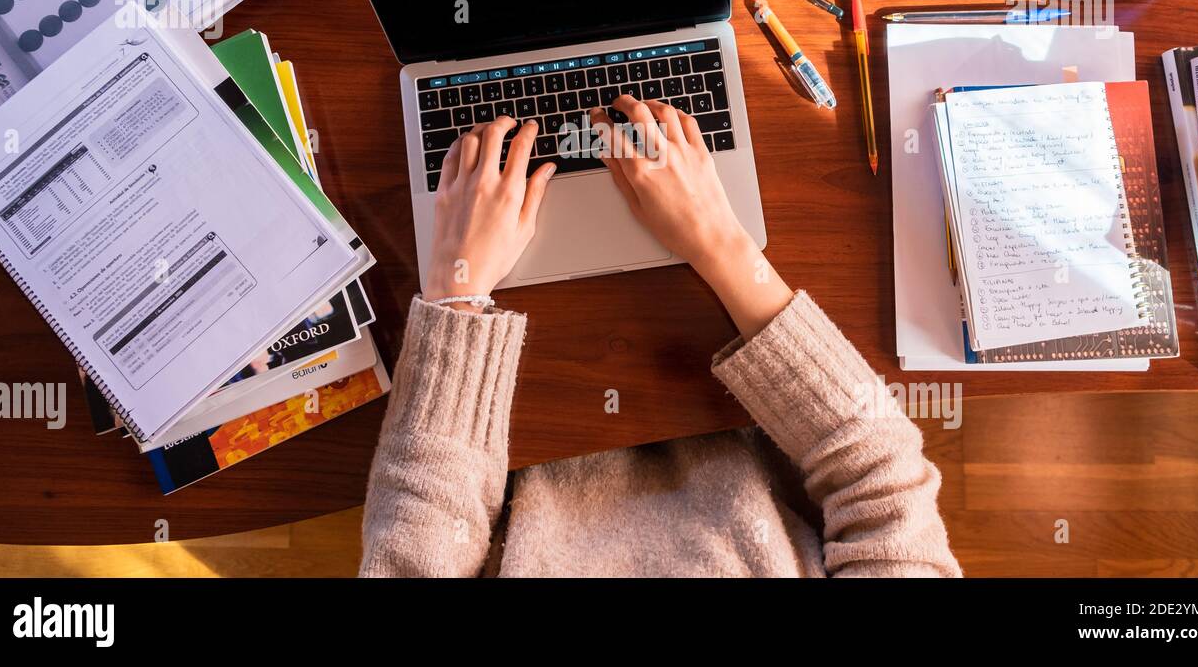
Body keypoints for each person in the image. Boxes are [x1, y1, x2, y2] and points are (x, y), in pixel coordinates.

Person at [360, 95, 960, 577]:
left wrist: (456, 286)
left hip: (511, 463)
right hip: (741, 434)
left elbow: (421, 534)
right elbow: (879, 473)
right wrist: (721, 242)